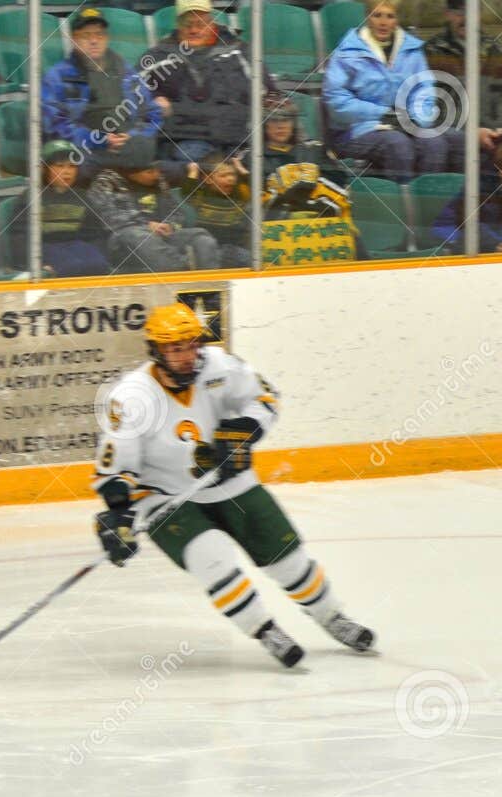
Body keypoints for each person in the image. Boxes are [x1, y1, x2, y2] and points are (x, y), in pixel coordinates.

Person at [93, 304, 375, 667]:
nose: (186, 356)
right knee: (213, 559)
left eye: (191, 345)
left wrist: (243, 431)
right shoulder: (132, 397)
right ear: (156, 351)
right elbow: (116, 466)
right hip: (166, 498)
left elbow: (265, 399)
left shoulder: (220, 366)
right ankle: (264, 629)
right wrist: (117, 514)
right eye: (175, 349)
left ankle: (333, 617)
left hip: (233, 483)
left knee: (287, 560)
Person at [323, 0, 466, 182]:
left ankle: (431, 203)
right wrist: (384, 114)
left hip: (405, 123)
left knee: (435, 144)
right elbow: (336, 100)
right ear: (368, 17)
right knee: (398, 144)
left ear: (397, 20)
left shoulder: (412, 50)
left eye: (390, 16)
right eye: (377, 15)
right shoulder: (347, 51)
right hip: (356, 130)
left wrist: (416, 119)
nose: (383, 22)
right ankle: (400, 205)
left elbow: (423, 90)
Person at [142, 0, 281, 164]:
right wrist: (154, 97)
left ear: (211, 21)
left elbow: (269, 93)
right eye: (188, 25)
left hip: (238, 139)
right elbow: (135, 90)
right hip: (187, 142)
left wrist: (272, 106)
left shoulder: (240, 51)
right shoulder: (160, 53)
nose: (193, 30)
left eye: (200, 24)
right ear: (178, 25)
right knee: (189, 155)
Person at [42, 7, 164, 174]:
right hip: (87, 152)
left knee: (156, 160)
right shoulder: (57, 76)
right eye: (86, 35)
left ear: (106, 38)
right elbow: (54, 127)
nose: (94, 41)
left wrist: (132, 137)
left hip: (129, 149)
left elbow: (152, 114)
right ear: (73, 39)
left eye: (99, 34)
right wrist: (99, 139)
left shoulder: (127, 72)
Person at [423, 0, 502, 151]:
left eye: (471, 12)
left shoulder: (498, 50)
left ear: (479, 14)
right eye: (459, 12)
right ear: (447, 14)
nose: (465, 18)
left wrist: (500, 128)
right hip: (453, 130)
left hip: (497, 128)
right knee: (447, 139)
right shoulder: (431, 52)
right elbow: (431, 104)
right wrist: (472, 132)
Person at [87, 155, 221, 272]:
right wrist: (147, 226)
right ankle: (182, 271)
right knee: (139, 236)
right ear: (132, 172)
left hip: (162, 236)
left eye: (157, 169)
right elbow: (110, 218)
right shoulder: (105, 182)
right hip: (123, 240)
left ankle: (209, 284)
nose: (156, 174)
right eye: (150, 171)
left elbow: (177, 212)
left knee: (201, 235)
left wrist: (170, 225)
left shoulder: (158, 181)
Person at [29, 139, 109, 278]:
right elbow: (20, 236)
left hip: (77, 246)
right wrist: (33, 264)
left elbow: (96, 233)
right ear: (43, 168)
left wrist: (99, 253)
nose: (67, 172)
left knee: (99, 265)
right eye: (60, 166)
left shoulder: (83, 197)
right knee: (71, 266)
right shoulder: (31, 197)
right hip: (45, 248)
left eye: (72, 166)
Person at [183, 151, 254, 267]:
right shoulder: (201, 196)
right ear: (208, 179)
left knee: (252, 260)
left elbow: (255, 190)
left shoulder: (238, 196)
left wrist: (241, 170)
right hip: (209, 249)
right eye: (224, 175)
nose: (230, 179)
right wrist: (193, 172)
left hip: (235, 248)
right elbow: (187, 193)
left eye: (233, 174)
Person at [259, 97, 319, 176]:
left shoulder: (311, 153)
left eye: (285, 120)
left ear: (294, 125)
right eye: (274, 120)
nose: (281, 126)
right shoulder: (254, 157)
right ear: (265, 125)